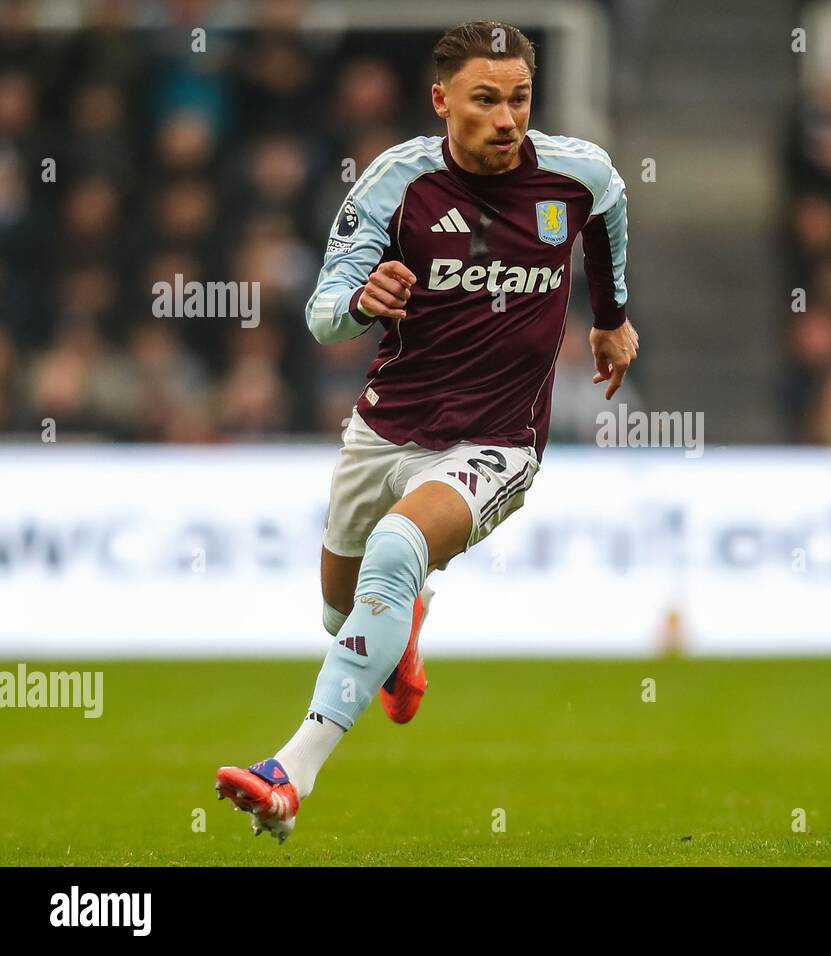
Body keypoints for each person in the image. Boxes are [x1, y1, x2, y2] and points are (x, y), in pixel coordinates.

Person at [214, 19, 638, 842]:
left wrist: (611, 319)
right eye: (486, 100)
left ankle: (288, 775)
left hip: (498, 441)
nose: (507, 118)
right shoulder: (393, 184)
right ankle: (399, 636)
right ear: (442, 100)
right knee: (343, 617)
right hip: (386, 430)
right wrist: (361, 300)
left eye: (519, 98)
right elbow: (322, 317)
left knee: (398, 551)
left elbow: (611, 210)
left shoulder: (575, 174)